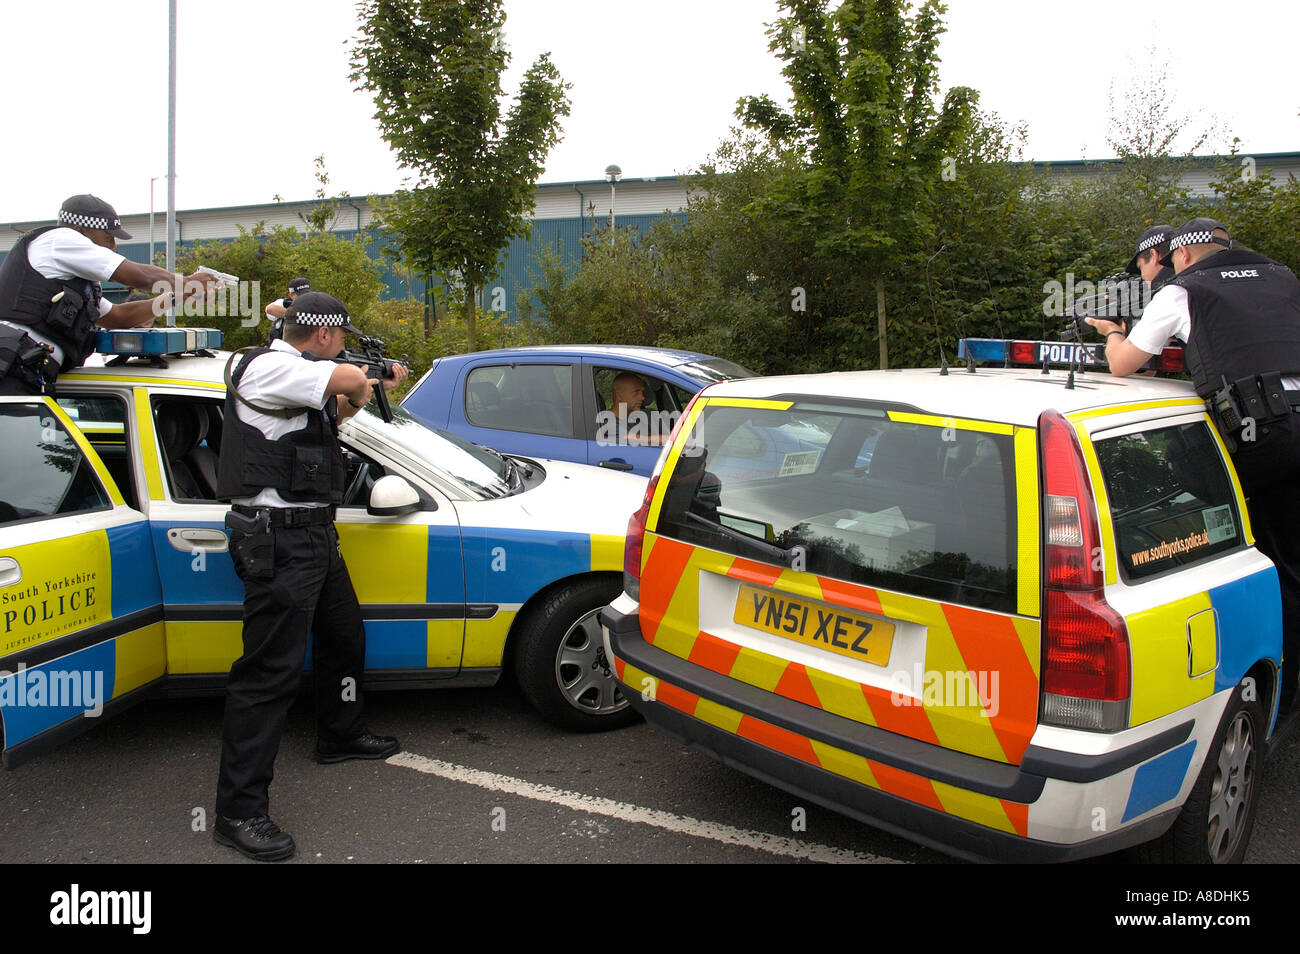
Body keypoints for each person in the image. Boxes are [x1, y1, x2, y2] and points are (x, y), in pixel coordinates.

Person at [213, 290, 407, 861]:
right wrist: (367, 375)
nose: (344, 343)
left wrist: (367, 390)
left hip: (314, 532)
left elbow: (339, 411)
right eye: (341, 334)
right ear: (321, 335)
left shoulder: (302, 376)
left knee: (343, 637)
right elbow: (344, 378)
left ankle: (340, 733)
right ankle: (238, 811)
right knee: (266, 675)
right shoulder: (272, 367)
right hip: (279, 537)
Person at [1087, 217, 1300, 712]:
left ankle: (1274, 696)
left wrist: (1114, 334)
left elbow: (1123, 365)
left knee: (1255, 558)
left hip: (1262, 435)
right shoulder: (1283, 276)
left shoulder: (1184, 290)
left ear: (1179, 256)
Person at [0, 194, 220, 395]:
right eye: (108, 237)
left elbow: (118, 317)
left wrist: (174, 297)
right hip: (11, 370)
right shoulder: (60, 240)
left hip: (26, 372)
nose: (114, 246)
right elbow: (135, 274)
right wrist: (185, 282)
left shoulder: (74, 279)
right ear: (81, 231)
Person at [609, 371, 666, 445]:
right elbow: (631, 439)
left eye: (642, 392)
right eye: (636, 392)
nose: (642, 397)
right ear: (619, 395)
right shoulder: (608, 423)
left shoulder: (645, 417)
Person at [263, 276, 310, 343]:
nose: (304, 297)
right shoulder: (284, 303)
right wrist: (294, 315)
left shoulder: (312, 304)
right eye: (300, 295)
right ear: (291, 295)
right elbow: (269, 309)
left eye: (306, 294)